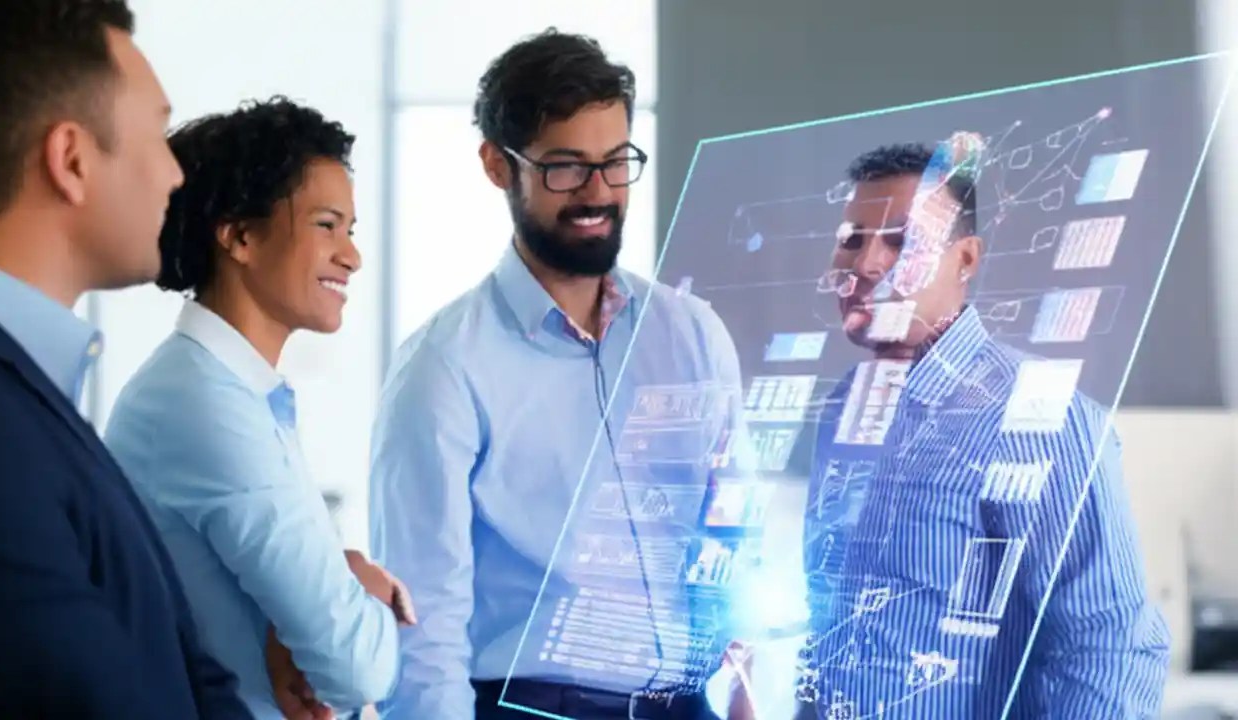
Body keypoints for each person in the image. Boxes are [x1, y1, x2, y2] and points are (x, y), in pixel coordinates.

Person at [370, 28, 745, 720]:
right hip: (533, 707)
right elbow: (424, 616)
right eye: (565, 167)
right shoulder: (444, 366)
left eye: (616, 162)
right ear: (496, 165)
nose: (598, 192)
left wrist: (742, 690)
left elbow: (729, 536)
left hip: (689, 704)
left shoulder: (692, 335)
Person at [787, 138, 1170, 718]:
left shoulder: (1043, 414)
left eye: (901, 243)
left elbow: (1107, 645)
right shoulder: (846, 405)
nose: (865, 265)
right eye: (851, 241)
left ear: (965, 259)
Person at [0, 0, 251, 716]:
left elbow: (184, 668)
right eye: (157, 130)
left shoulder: (19, 381)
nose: (175, 174)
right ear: (72, 160)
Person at [103, 97, 415, 720]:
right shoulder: (202, 404)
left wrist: (339, 574)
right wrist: (370, 593)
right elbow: (356, 667)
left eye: (350, 230)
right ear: (240, 236)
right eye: (327, 225)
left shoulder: (230, 389)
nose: (351, 256)